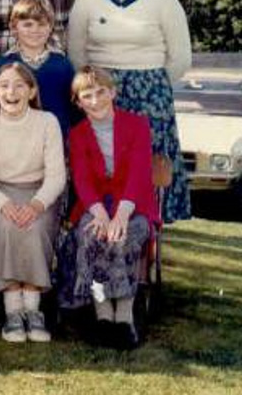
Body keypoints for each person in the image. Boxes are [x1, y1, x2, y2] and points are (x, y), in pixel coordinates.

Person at [67, 0, 193, 223]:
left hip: (150, 95)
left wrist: (150, 83)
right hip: (99, 95)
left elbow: (180, 57)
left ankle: (147, 244)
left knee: (147, 171)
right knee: (101, 168)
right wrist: (96, 88)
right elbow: (75, 52)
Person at [0, 62, 66, 343]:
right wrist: (5, 204)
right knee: (5, 227)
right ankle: (12, 314)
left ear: (32, 91)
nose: (12, 91)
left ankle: (33, 311)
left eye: (20, 85)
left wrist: (35, 206)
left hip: (39, 195)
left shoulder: (47, 122)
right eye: (4, 85)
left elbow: (56, 176)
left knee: (34, 227)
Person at [58, 66, 158, 350]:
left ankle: (124, 318)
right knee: (91, 236)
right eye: (86, 95)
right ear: (78, 102)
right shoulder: (77, 134)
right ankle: (103, 315)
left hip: (134, 203)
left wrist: (121, 216)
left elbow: (139, 174)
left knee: (121, 238)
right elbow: (82, 178)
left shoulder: (137, 125)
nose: (95, 100)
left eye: (101, 92)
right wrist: (101, 214)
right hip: (96, 204)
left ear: (112, 92)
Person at [0, 0, 77, 140]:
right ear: (14, 28)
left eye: (41, 24)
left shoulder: (62, 64)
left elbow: (74, 108)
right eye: (28, 24)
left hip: (55, 139)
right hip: (14, 139)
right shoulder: (4, 63)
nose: (35, 30)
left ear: (50, 27)